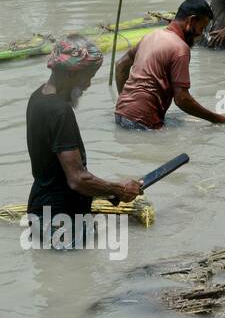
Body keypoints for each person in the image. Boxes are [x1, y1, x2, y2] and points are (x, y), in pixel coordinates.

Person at [27, 36, 142, 245]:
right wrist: (119, 190)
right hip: (60, 222)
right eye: (88, 76)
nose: (88, 84)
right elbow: (77, 179)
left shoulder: (37, 97)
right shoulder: (60, 111)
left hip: (41, 212)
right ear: (72, 74)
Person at [113, 0, 225, 130]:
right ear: (191, 20)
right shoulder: (180, 48)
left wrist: (126, 102)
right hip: (142, 122)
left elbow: (120, 65)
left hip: (120, 114)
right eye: (202, 27)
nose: (200, 33)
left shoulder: (151, 36)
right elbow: (182, 99)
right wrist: (216, 118)